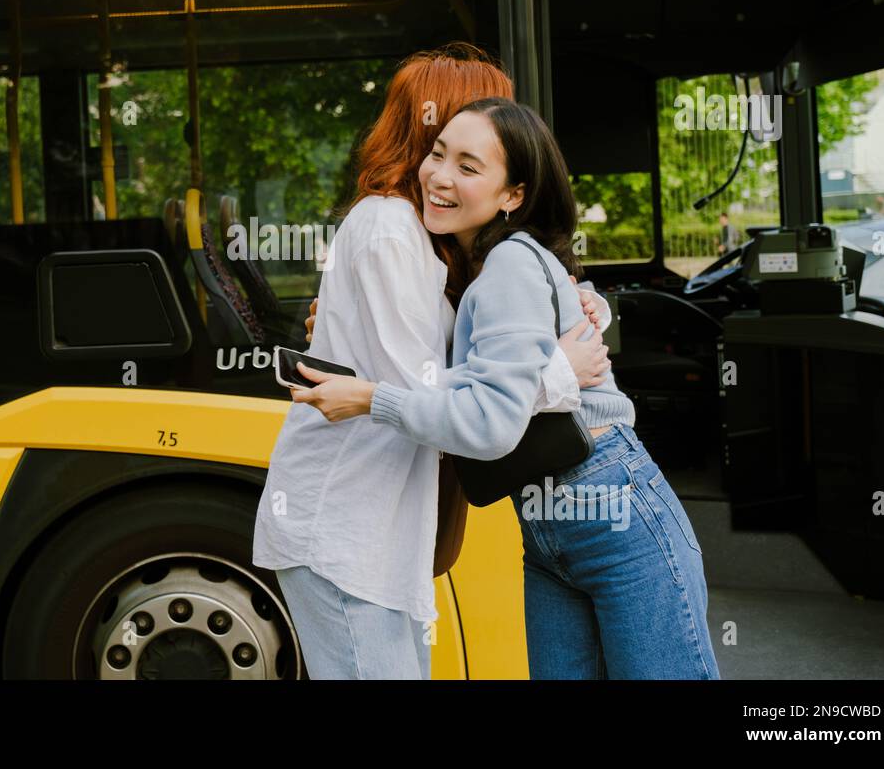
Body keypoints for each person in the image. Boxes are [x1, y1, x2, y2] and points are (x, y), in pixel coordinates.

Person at [294, 97, 720, 679]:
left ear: (513, 195)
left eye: (469, 168)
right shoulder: (484, 267)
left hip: (611, 511)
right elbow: (456, 379)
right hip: (549, 529)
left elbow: (487, 422)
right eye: (438, 154)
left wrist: (370, 398)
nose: (440, 177)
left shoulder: (511, 265)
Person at [252, 45, 612, 680]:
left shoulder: (422, 237)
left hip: (377, 527)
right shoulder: (391, 227)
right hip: (345, 523)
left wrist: (573, 308)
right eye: (465, 132)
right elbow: (419, 392)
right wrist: (556, 369)